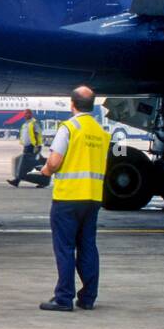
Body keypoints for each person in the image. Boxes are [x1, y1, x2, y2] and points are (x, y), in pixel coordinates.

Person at [36, 86, 109, 311]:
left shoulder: (69, 127)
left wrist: (45, 172)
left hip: (68, 198)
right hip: (93, 198)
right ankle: (88, 298)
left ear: (72, 104)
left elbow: (55, 161)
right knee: (88, 247)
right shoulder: (100, 132)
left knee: (65, 248)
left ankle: (64, 298)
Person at [6, 110, 46, 186]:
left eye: (26, 114)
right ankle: (17, 181)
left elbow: (38, 133)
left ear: (31, 114)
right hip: (27, 146)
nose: (24, 116)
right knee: (26, 164)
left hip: (33, 146)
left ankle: (43, 181)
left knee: (35, 164)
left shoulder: (34, 123)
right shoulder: (25, 124)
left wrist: (37, 146)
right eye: (24, 114)